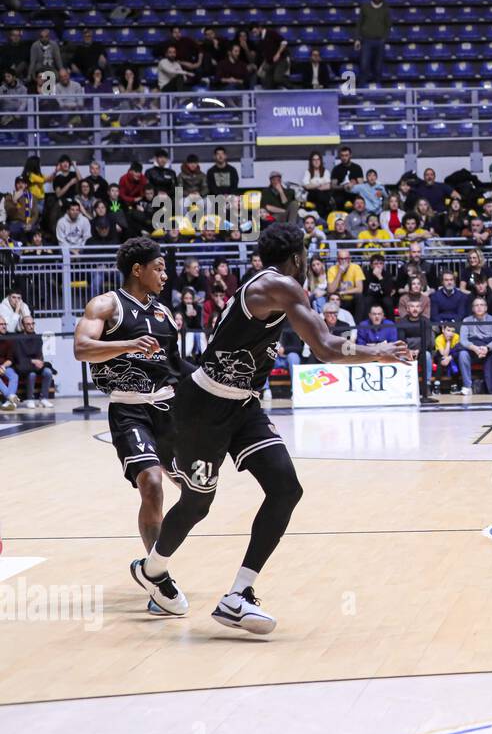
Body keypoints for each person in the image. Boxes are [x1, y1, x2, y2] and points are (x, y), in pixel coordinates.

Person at [135, 224, 409, 634]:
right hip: (203, 407)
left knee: (285, 487)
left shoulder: (271, 287)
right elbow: (325, 347)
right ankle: (153, 569)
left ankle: (238, 595)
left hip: (243, 404)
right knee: (197, 505)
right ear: (298, 258)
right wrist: (378, 351)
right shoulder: (279, 287)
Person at [74, 238, 186, 553]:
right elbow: (81, 349)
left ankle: (162, 554)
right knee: (151, 484)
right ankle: (156, 571)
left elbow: (175, 365)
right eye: (159, 269)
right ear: (138, 270)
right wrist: (127, 344)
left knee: (197, 489)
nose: (165, 276)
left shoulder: (164, 312)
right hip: (129, 408)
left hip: (168, 407)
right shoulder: (106, 305)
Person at [457, 296, 492, 396]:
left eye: (482, 305)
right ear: (472, 308)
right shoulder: (466, 320)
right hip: (473, 350)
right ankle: (467, 386)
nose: (479, 307)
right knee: (462, 354)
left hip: (489, 349)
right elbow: (463, 340)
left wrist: (487, 348)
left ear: (486, 308)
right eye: (476, 305)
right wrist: (474, 348)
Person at [353, 0, 392, 87]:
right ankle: (362, 90)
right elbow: (359, 24)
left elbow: (388, 26)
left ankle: (377, 91)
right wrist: (357, 39)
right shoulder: (365, 7)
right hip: (366, 41)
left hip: (380, 42)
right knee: (364, 65)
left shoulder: (386, 9)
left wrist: (384, 39)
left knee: (378, 68)